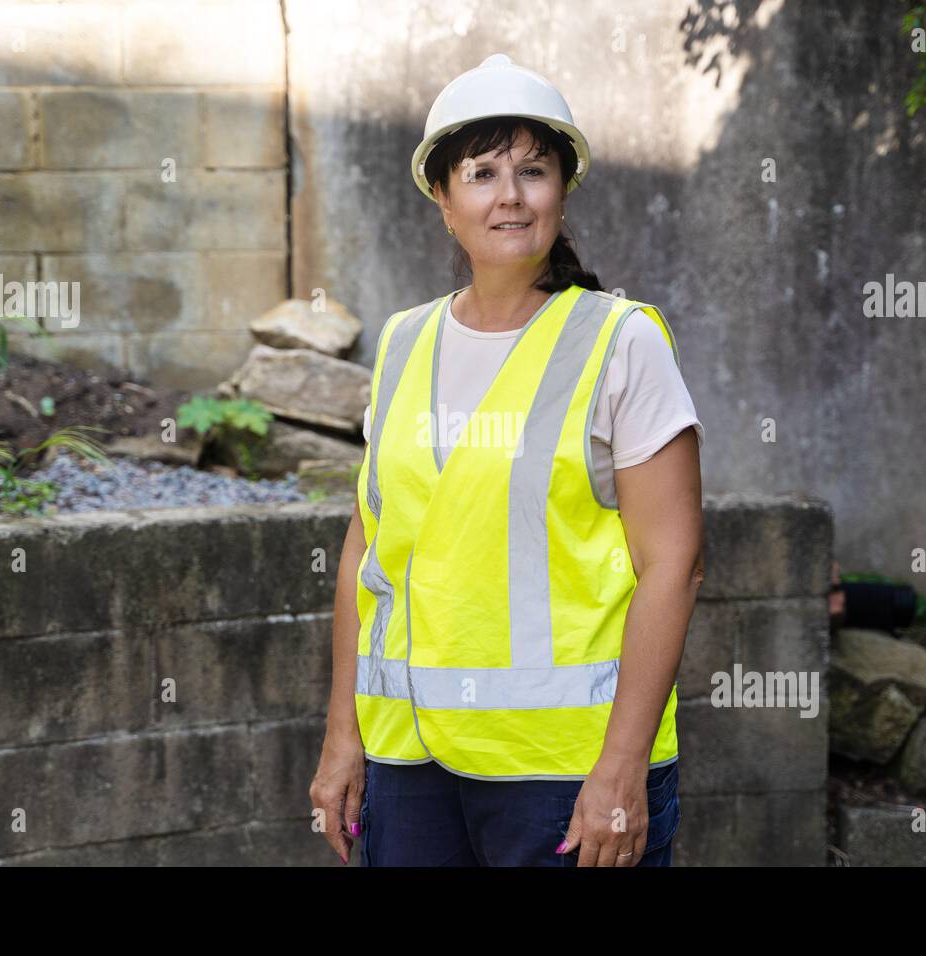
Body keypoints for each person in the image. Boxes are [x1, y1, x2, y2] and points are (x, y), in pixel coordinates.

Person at [309, 53, 706, 867]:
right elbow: (366, 550)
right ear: (444, 201)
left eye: (533, 170)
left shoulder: (619, 341)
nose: (511, 195)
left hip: (565, 772)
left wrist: (622, 767)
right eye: (482, 172)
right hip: (409, 764)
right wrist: (342, 736)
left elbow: (674, 566)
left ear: (563, 190)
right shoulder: (402, 341)